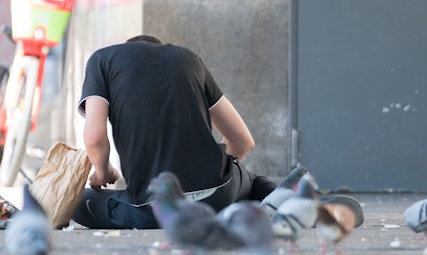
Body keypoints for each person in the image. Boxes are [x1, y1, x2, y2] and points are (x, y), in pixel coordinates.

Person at [72, 34, 277, 229]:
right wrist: (218, 174)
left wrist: (103, 172)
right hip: (218, 197)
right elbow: (242, 142)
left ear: (127, 48)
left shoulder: (103, 60)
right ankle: (284, 205)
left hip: (152, 210)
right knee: (254, 182)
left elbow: (95, 136)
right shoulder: (189, 60)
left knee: (76, 201)